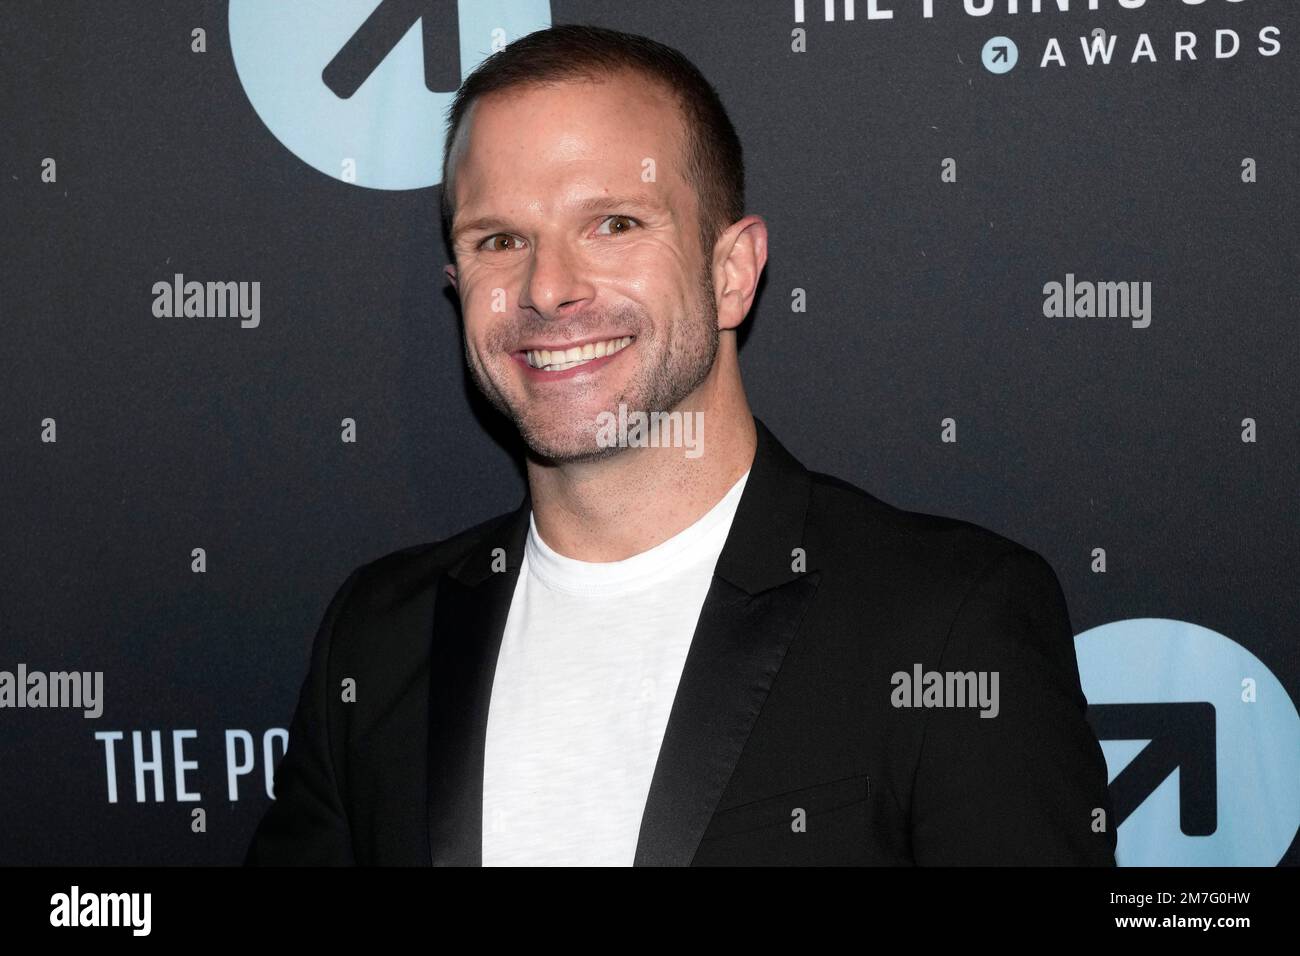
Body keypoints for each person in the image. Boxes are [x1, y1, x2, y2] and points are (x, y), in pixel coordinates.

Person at [245, 23, 1116, 866]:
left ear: (732, 272)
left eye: (614, 224)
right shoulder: (380, 634)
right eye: (501, 240)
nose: (547, 289)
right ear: (457, 282)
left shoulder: (947, 621)